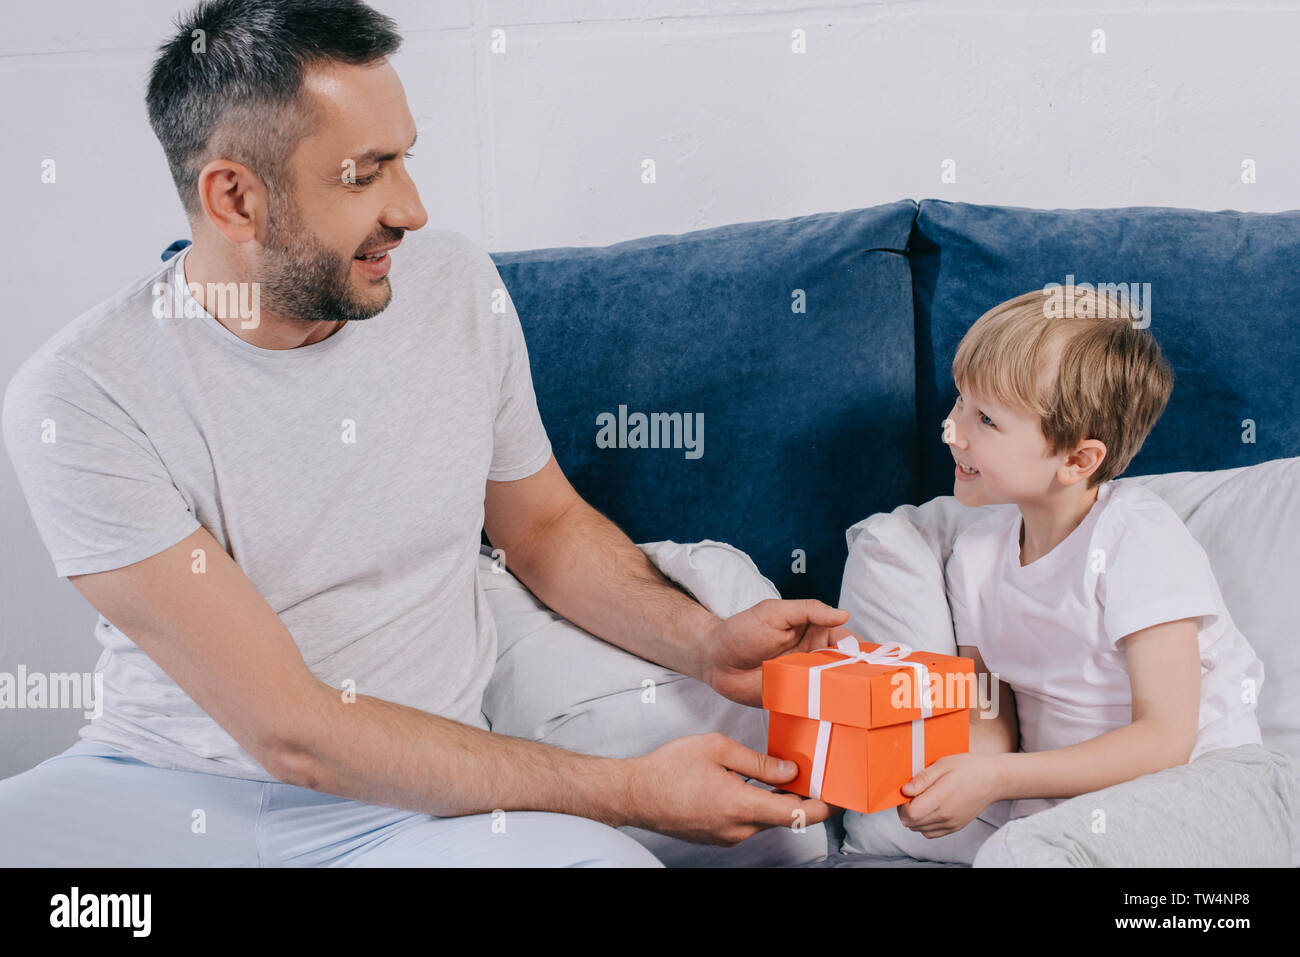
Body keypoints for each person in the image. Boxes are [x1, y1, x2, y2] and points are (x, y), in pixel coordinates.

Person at [0, 0, 850, 867]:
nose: (411, 208)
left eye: (405, 159)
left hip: (413, 804)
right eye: (363, 175)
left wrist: (706, 646)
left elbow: (544, 529)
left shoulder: (449, 286)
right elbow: (295, 731)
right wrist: (629, 790)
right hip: (158, 787)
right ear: (236, 198)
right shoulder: (81, 395)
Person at [840, 286, 1297, 866]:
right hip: (1068, 810)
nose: (952, 430)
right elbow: (989, 712)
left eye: (985, 419)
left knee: (1022, 853)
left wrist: (1001, 777)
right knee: (941, 830)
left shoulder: (1137, 538)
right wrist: (962, 776)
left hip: (1208, 792)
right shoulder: (975, 557)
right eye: (959, 401)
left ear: (1077, 460)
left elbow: (1165, 739)